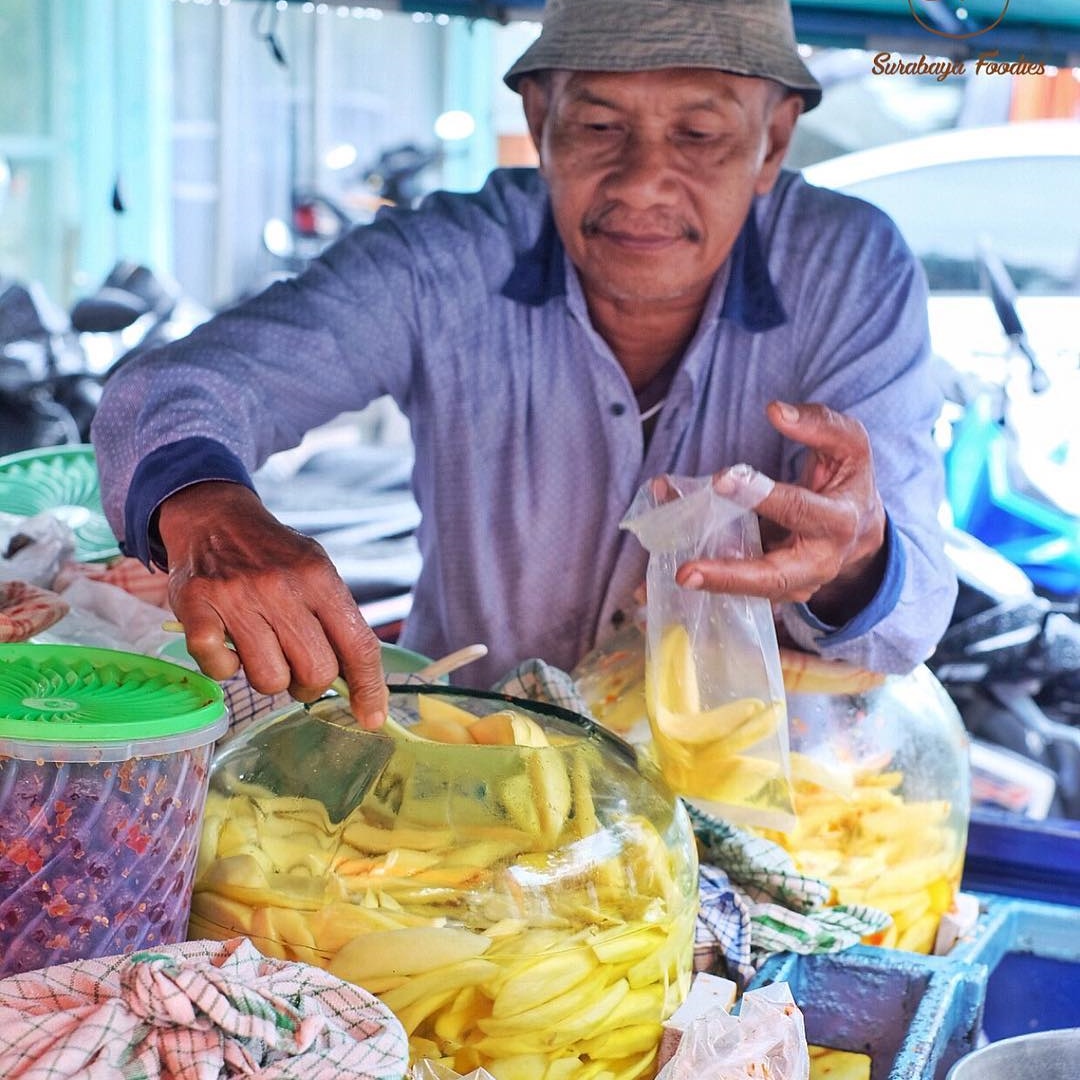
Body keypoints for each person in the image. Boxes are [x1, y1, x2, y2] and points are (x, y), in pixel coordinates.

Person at [90, 0, 957, 730]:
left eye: (699, 133)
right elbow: (172, 387)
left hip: (745, 804)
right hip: (467, 786)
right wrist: (206, 508)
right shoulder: (444, 258)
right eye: (598, 126)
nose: (644, 180)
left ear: (773, 142)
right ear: (540, 122)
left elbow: (906, 627)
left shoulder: (848, 269)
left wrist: (855, 553)